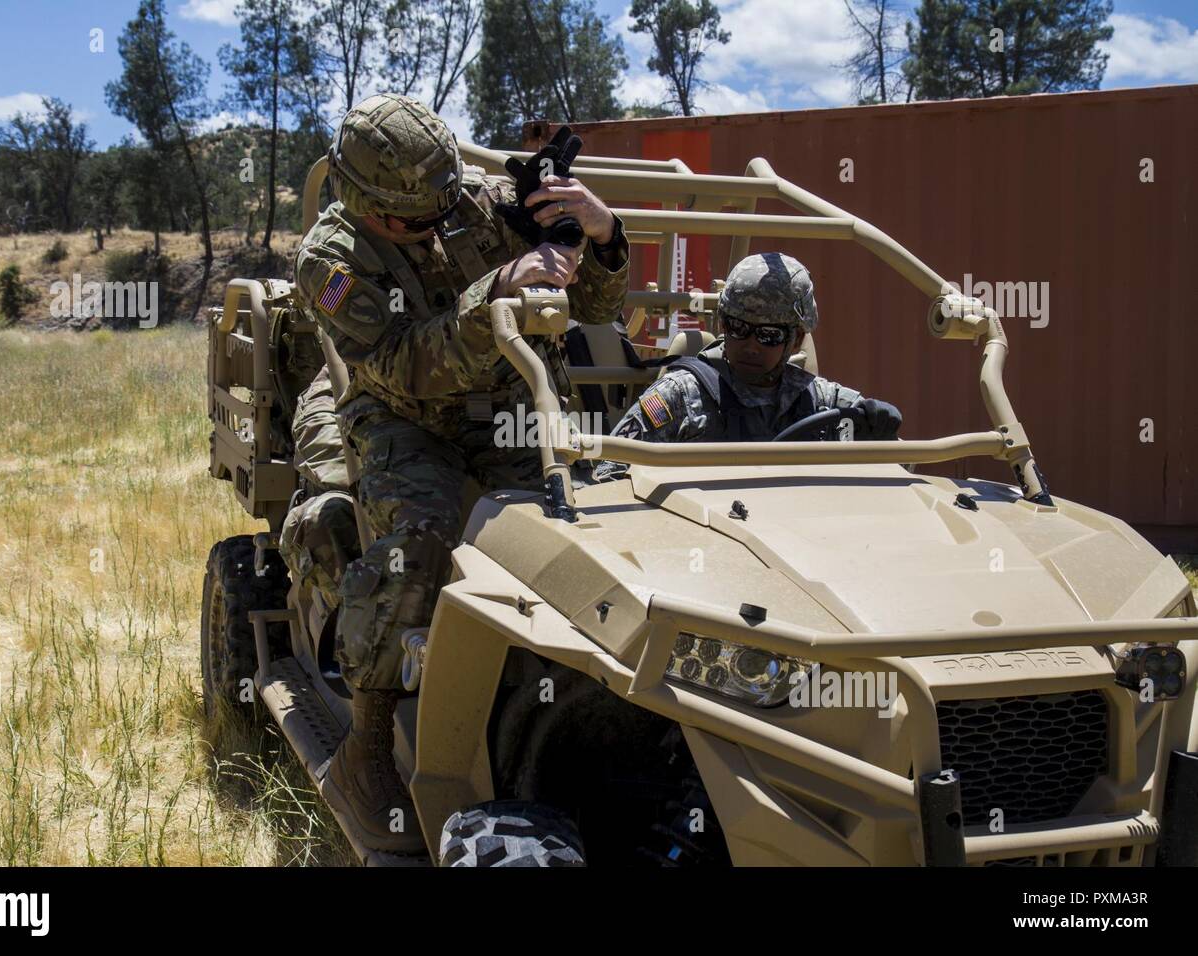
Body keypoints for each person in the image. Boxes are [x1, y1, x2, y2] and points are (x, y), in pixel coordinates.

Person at [286, 92, 629, 853]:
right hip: (407, 417)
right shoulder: (330, 262)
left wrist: (598, 235)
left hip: (507, 402)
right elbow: (403, 364)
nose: (435, 228)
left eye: (441, 211)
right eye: (413, 222)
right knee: (419, 541)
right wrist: (500, 289)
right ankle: (368, 744)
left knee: (584, 521)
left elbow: (604, 311)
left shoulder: (473, 204)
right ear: (360, 198)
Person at [598, 253, 900, 469]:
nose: (751, 346)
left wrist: (880, 434)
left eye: (768, 335)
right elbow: (610, 477)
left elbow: (897, 475)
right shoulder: (679, 397)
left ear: (795, 340)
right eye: (738, 328)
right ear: (722, 324)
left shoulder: (822, 401)